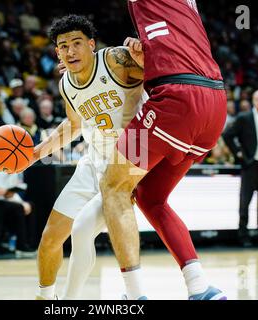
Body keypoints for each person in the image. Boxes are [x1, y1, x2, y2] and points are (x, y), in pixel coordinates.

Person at [99, 0, 227, 300]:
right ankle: (200, 287)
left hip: (176, 100)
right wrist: (148, 50)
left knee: (113, 186)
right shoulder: (183, 10)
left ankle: (134, 296)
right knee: (150, 197)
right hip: (216, 103)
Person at [31, 15, 145, 300]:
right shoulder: (66, 84)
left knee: (82, 231)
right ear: (57, 52)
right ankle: (47, 298)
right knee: (49, 239)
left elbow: (157, 74)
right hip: (92, 163)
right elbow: (73, 126)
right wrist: (34, 154)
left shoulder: (116, 59)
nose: (70, 51)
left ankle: (73, 302)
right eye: (63, 46)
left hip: (128, 162)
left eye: (77, 44)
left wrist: (144, 54)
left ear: (91, 44)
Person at [223, 90, 258, 247]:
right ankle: (243, 237)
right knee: (245, 202)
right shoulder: (244, 118)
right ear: (253, 101)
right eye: (256, 99)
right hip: (251, 165)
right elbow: (227, 135)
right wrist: (239, 154)